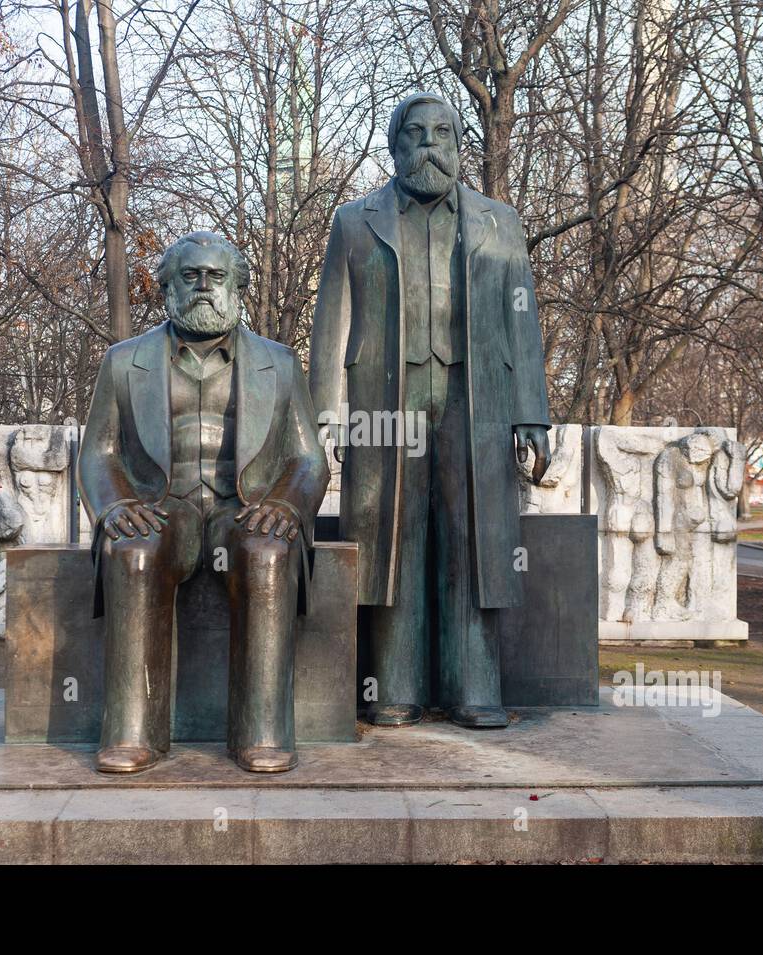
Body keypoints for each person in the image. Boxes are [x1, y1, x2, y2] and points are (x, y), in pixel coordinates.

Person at [308, 92, 552, 729]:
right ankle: (393, 686)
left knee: (473, 539)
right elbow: (331, 321)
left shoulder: (502, 222)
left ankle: (475, 688)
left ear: (458, 146)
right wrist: (325, 411)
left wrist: (532, 412)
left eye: (442, 134)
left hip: (479, 398)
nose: (428, 145)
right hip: (382, 397)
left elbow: (523, 326)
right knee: (393, 534)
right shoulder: (355, 221)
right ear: (394, 146)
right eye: (414, 134)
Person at [78, 231, 328, 775]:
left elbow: (308, 459)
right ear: (167, 285)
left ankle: (261, 732)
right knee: (134, 550)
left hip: (247, 506)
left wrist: (287, 505)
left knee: (267, 550)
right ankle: (132, 733)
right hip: (161, 505)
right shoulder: (124, 361)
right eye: (190, 276)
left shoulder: (279, 363)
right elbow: (98, 453)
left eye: (217, 277)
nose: (204, 288)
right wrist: (115, 506)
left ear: (236, 286)